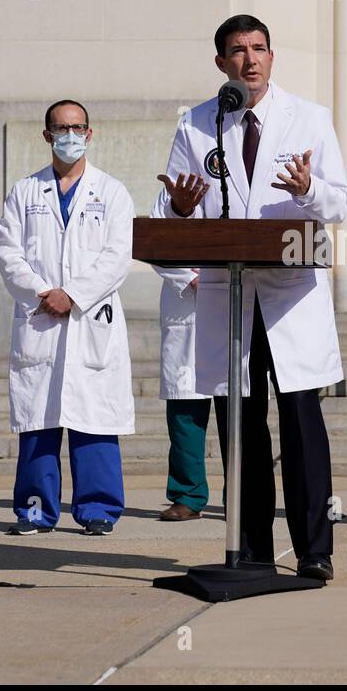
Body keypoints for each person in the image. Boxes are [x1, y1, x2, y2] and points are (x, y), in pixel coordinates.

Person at [157, 14, 347, 580]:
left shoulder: (309, 118)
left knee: (300, 422)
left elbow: (337, 204)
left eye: (259, 48)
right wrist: (184, 209)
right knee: (240, 423)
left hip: (290, 294)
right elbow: (172, 205)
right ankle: (253, 551)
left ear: (272, 56)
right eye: (238, 51)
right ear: (221, 63)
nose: (250, 59)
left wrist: (307, 189)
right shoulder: (196, 125)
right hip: (228, 292)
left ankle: (315, 551)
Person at [0, 99, 136, 536]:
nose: (69, 136)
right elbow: (8, 253)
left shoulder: (111, 192)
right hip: (42, 317)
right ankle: (35, 511)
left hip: (91, 320)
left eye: (77, 128)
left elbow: (118, 256)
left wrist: (73, 295)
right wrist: (44, 293)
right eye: (60, 129)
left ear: (89, 134)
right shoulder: (24, 191)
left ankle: (98, 511)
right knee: (39, 422)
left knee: (94, 420)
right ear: (47, 136)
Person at [147, 193, 213, 521]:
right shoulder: (172, 192)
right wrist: (191, 278)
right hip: (186, 307)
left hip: (236, 299)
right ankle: (188, 494)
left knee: (241, 412)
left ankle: (244, 494)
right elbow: (157, 244)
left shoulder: (247, 180)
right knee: (185, 409)